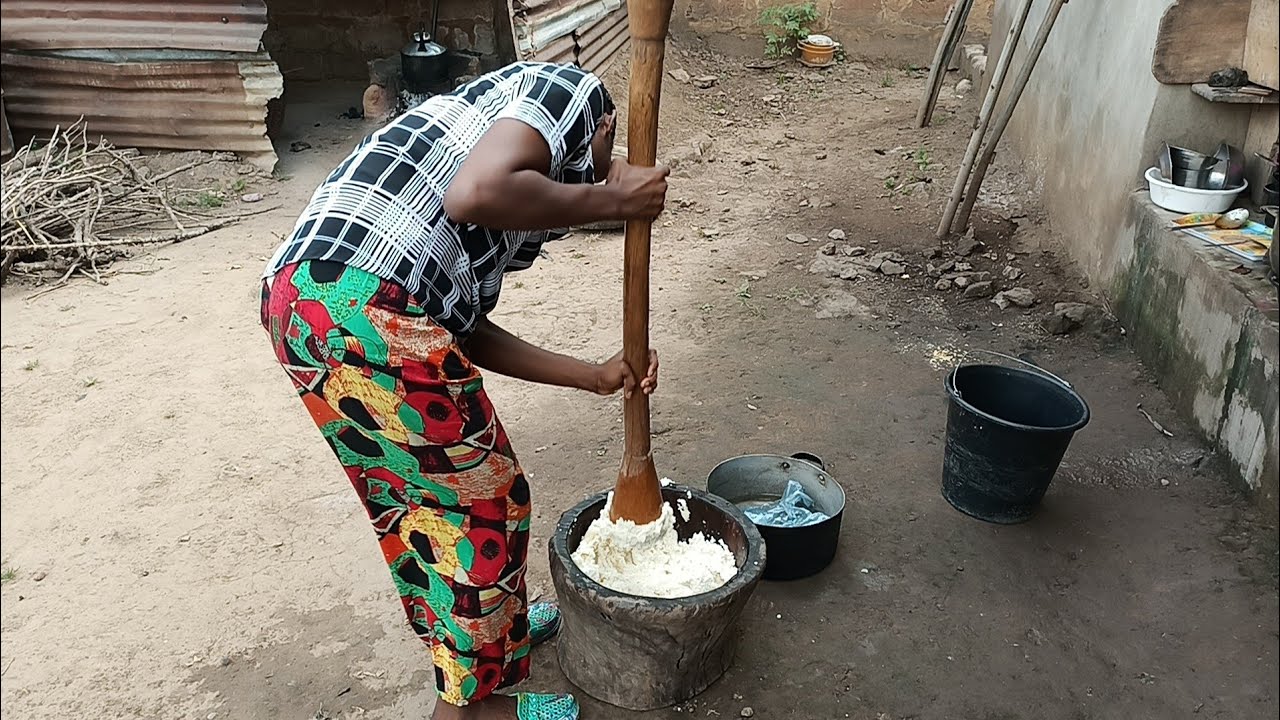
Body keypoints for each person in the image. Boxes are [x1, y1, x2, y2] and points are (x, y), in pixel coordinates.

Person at [259, 62, 667, 720]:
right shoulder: (572, 94)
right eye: (605, 158)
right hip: (370, 308)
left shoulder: (489, 152)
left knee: (419, 504)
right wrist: (613, 198)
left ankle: (487, 646)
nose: (601, 171)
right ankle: (472, 711)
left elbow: (459, 329)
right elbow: (475, 195)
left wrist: (592, 374)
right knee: (485, 506)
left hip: (302, 304)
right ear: (607, 128)